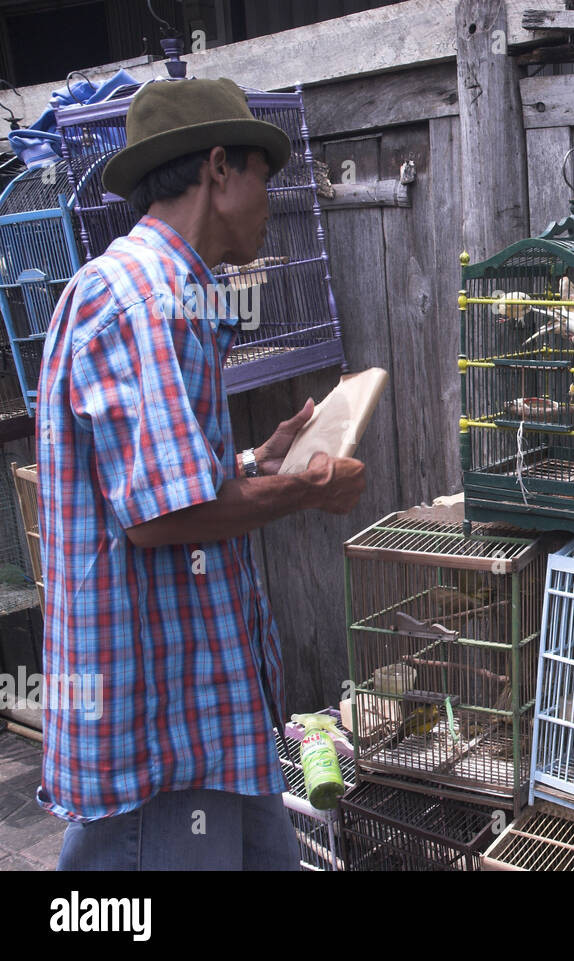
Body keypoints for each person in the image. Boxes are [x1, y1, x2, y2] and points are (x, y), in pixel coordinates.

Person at [35, 77, 365, 870]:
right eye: (264, 177)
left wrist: (260, 459)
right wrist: (307, 490)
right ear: (219, 169)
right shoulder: (148, 301)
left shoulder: (168, 291)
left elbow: (156, 480)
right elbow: (157, 519)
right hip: (162, 733)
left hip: (212, 715)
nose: (270, 202)